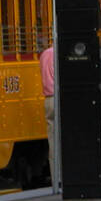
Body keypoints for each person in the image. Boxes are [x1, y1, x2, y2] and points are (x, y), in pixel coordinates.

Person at [39, 43, 56, 180]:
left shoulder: (44, 55)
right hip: (59, 99)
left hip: (48, 100)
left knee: (52, 141)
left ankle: (56, 177)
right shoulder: (58, 54)